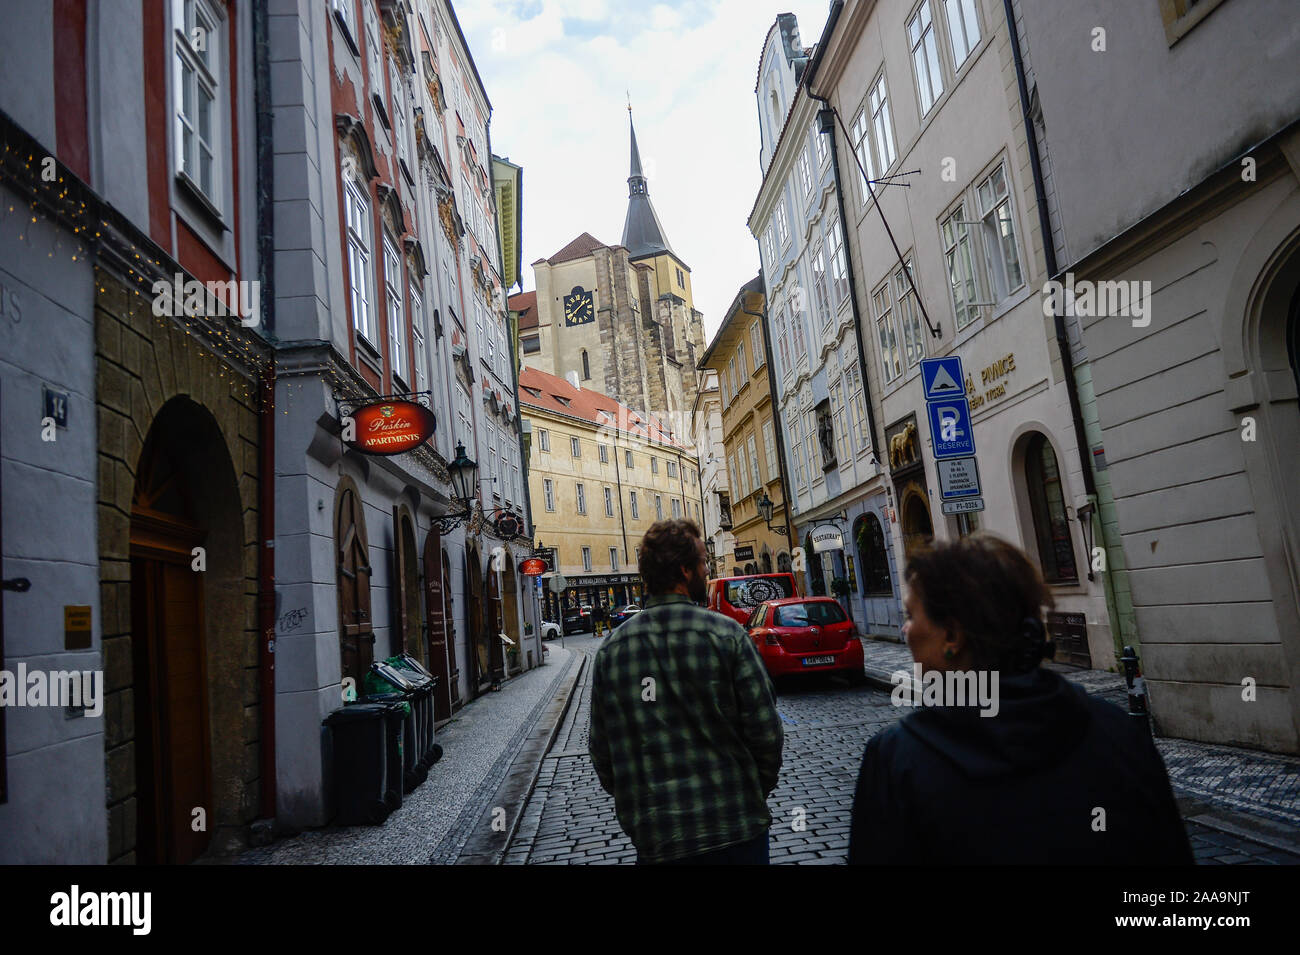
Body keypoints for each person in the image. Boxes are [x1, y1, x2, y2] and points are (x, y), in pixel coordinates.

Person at [848, 533, 1192, 865]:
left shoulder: (897, 761)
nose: (905, 631)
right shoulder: (1119, 732)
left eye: (911, 615)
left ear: (952, 635)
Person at [588, 519, 784, 865]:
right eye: (704, 563)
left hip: (660, 841)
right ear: (685, 571)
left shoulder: (612, 652)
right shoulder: (727, 636)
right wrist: (749, 791)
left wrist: (642, 811)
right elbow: (766, 733)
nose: (707, 572)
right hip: (736, 833)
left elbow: (603, 753)